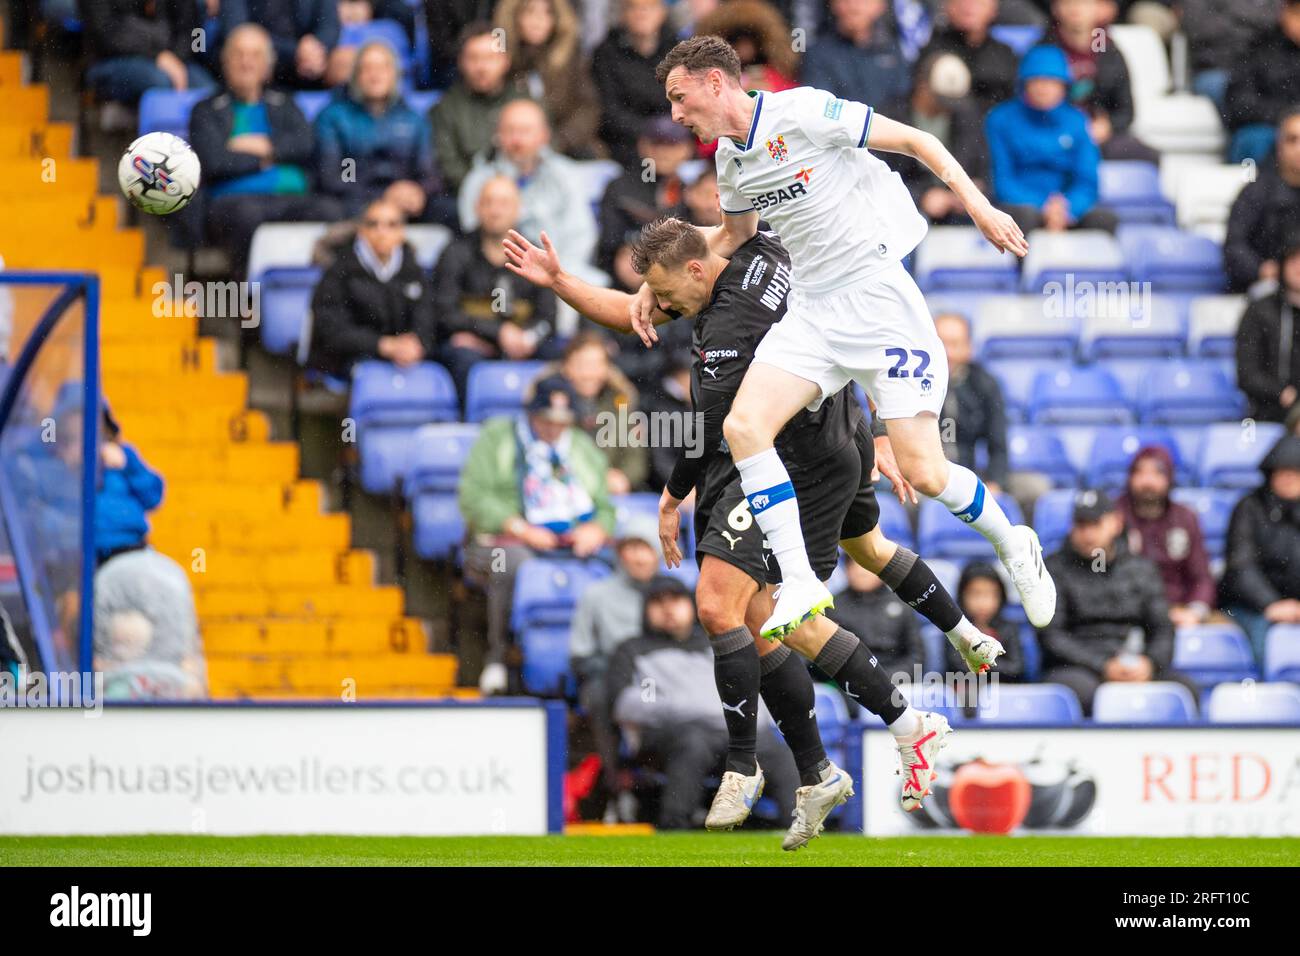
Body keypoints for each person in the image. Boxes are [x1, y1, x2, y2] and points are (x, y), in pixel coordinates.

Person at [505, 217, 1005, 848]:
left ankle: (743, 764)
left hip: (793, 457)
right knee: (799, 600)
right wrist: (560, 281)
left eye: (662, 298)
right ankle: (897, 724)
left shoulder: (730, 334)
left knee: (720, 604)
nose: (657, 311)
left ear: (694, 269)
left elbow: (711, 429)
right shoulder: (759, 245)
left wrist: (672, 496)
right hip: (836, 428)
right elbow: (639, 307)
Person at [643, 35, 1052, 644]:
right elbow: (731, 237)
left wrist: (981, 209)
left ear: (714, 83)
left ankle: (1012, 538)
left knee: (927, 472)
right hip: (812, 311)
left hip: (878, 301)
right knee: (744, 426)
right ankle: (803, 581)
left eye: (679, 97)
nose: (676, 114)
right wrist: (657, 280)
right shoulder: (732, 161)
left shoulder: (803, 111)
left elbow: (919, 141)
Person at [604, 575, 800, 830]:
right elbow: (634, 703)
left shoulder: (717, 643)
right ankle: (675, 827)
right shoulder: (634, 650)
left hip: (732, 732)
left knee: (777, 750)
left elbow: (749, 690)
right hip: (672, 735)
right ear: (645, 610)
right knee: (694, 743)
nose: (668, 609)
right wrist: (690, 709)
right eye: (658, 602)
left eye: (675, 600)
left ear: (691, 605)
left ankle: (799, 827)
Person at [459, 376, 615, 693]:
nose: (554, 428)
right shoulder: (497, 437)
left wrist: (596, 529)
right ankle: (499, 658)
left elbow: (605, 507)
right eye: (546, 419)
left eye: (562, 421)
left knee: (622, 561)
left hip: (571, 540)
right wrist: (521, 528)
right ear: (531, 413)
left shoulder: (581, 447)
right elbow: (472, 498)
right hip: (507, 539)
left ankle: (608, 663)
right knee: (514, 563)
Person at [190, 24, 342, 276]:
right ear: (225, 62)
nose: (246, 63)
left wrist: (263, 148)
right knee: (247, 216)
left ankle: (322, 296)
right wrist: (267, 158)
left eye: (255, 55)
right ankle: (248, 301)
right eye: (239, 54)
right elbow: (213, 161)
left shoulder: (285, 103)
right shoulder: (206, 110)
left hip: (293, 198)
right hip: (233, 202)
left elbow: (306, 145)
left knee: (332, 210)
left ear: (267, 65)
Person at [1039, 489, 1199, 716]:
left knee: (1185, 689)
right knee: (1080, 691)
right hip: (1080, 667)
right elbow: (1052, 636)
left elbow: (1163, 628)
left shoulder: (1141, 569)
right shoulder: (1053, 569)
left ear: (1115, 523)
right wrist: (1103, 665)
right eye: (1081, 525)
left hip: (1134, 660)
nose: (1087, 533)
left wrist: (1150, 664)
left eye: (1095, 524)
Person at [434, 176, 560, 403]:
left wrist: (527, 339)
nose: (495, 211)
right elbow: (444, 313)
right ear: (476, 208)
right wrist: (497, 334)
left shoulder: (534, 255)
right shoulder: (455, 252)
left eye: (504, 203)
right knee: (459, 355)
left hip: (523, 346)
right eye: (488, 203)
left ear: (518, 209)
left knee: (559, 353)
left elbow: (548, 320)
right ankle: (469, 424)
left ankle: (544, 425)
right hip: (474, 349)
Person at [570, 518, 662, 798]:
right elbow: (580, 653)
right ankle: (615, 787)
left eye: (644, 547)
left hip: (665, 677)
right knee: (599, 694)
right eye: (630, 548)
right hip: (611, 679)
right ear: (620, 553)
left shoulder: (670, 594)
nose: (637, 556)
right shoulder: (596, 595)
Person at [985, 44, 1117, 235]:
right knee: (1022, 217)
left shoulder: (1077, 121)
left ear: (1064, 86)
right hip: (1021, 207)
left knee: (1104, 220)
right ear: (1024, 83)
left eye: (1052, 81)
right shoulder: (1000, 119)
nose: (1044, 87)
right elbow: (1001, 180)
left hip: (1065, 208)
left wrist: (1068, 208)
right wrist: (1043, 206)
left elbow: (1087, 180)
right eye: (1037, 80)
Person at [459, 100, 599, 270]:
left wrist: (558, 277)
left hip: (562, 271)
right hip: (497, 272)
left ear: (545, 135)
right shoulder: (479, 180)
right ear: (497, 135)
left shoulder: (565, 175)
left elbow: (580, 234)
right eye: (510, 131)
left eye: (526, 131)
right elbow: (472, 233)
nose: (517, 140)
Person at [305, 199, 436, 378]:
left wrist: (417, 343)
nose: (382, 232)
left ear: (402, 232)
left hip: (407, 357)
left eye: (392, 225)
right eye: (373, 224)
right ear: (361, 230)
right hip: (351, 360)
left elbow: (427, 317)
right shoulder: (338, 270)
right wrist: (382, 345)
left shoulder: (414, 270)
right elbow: (331, 329)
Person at [312, 41, 438, 219]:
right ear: (356, 76)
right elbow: (334, 177)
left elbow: (429, 173)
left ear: (395, 75)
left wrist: (417, 191)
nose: (375, 75)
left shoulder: (414, 120)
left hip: (405, 201)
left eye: (383, 67)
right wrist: (383, 195)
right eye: (367, 68)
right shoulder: (334, 118)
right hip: (355, 199)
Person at [1116, 445, 1217, 627]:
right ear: (1130, 477)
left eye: (1156, 473)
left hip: (1178, 611)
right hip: (1127, 614)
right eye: (1140, 473)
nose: (1147, 481)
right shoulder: (1113, 516)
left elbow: (1201, 577)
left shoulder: (1186, 518)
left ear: (1169, 478)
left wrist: (1194, 611)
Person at [1045, 0, 1158, 162]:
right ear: (1055, 8)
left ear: (1099, 8)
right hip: (1051, 134)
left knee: (1146, 155)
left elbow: (1126, 111)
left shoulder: (1106, 49)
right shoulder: (1044, 49)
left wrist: (1107, 126)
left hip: (1099, 137)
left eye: (1084, 3)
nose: (1075, 8)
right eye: (1068, 2)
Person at [1220, 434, 1300, 662]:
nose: (1288, 479)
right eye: (1282, 472)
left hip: (1295, 607)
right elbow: (1241, 566)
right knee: (1265, 642)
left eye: (1295, 473)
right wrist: (1271, 603)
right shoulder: (1250, 508)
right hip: (1253, 607)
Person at [884, 52, 988, 224]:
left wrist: (973, 190)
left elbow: (982, 167)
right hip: (906, 210)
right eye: (940, 99)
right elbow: (880, 176)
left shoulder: (966, 116)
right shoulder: (891, 116)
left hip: (958, 212)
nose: (947, 107)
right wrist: (920, 196)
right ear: (922, 85)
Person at [540, 332, 649, 493]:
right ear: (567, 367)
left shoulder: (621, 403)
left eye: (596, 365)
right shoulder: (548, 404)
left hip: (611, 493)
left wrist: (624, 478)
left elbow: (635, 457)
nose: (588, 374)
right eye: (582, 365)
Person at [494, 0, 601, 157]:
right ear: (514, 17)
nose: (537, 21)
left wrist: (558, 142)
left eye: (547, 13)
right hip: (513, 150)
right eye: (529, 12)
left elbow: (588, 109)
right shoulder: (502, 61)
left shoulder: (569, 60)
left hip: (565, 149)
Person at [432, 23, 525, 193]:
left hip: (524, 192)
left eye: (490, 58)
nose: (481, 67)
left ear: (505, 60)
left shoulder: (524, 102)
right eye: (473, 58)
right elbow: (448, 166)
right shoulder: (445, 108)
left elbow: (544, 151)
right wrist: (485, 192)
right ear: (461, 62)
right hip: (470, 196)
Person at [597, 116, 696, 276]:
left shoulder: (693, 189)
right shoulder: (621, 186)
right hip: (626, 275)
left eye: (672, 144)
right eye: (657, 144)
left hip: (681, 271)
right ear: (643, 145)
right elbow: (609, 244)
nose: (663, 152)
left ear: (687, 149)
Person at [591, 0, 678, 168]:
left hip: (674, 137)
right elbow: (608, 109)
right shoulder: (606, 52)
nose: (641, 13)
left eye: (649, 7)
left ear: (663, 12)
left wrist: (668, 132)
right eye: (634, 7)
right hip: (625, 142)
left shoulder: (679, 48)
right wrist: (649, 132)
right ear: (623, 13)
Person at [1224, 109, 1300, 295]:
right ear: (1279, 147)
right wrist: (1263, 269)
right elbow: (1234, 246)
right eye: (1292, 140)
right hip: (1269, 288)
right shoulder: (1255, 193)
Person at [83, 0, 215, 105]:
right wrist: (157, 55)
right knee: (162, 84)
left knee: (211, 94)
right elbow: (106, 35)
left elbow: (193, 31)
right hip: (111, 60)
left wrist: (177, 57)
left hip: (175, 60)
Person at [934, 311, 1007, 491]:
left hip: (971, 474)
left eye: (955, 344)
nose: (948, 353)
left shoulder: (985, 385)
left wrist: (995, 483)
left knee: (1032, 487)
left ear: (969, 348)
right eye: (941, 343)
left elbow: (998, 445)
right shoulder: (912, 383)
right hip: (923, 474)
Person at [1223, 0, 1300, 164]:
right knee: (1253, 141)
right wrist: (1286, 116)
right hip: (1269, 127)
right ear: (1285, 13)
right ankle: (1249, 186)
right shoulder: (1259, 49)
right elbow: (1239, 103)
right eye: (1298, 14)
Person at [1235, 236, 1300, 423]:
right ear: (1282, 264)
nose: (1299, 267)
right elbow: (1247, 373)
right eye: (1293, 259)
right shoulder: (1259, 311)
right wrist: (1281, 393)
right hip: (1270, 414)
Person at [827, 562, 926, 683]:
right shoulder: (833, 606)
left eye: (865, 566)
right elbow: (827, 656)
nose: (861, 572)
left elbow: (916, 656)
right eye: (855, 566)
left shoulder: (901, 603)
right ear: (847, 569)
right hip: (849, 682)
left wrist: (886, 679)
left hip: (896, 681)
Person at [801, 0, 911, 107]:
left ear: (880, 5)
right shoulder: (818, 53)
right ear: (832, 4)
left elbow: (903, 100)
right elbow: (820, 109)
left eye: (862, 1)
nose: (853, 7)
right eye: (846, 0)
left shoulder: (892, 49)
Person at [918, 0, 1020, 113]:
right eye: (961, 2)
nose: (968, 8)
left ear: (993, 10)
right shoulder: (931, 48)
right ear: (947, 7)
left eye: (978, 3)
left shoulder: (1004, 54)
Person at [218, 0, 346, 89]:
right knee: (246, 50)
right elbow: (236, 29)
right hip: (263, 56)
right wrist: (296, 51)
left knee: (345, 61)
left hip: (310, 61)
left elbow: (330, 24)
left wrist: (317, 48)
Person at [1178, 0, 1279, 111]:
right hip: (1216, 69)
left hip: (1261, 71)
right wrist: (1248, 20)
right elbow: (1197, 27)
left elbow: (1277, 19)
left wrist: (1230, 13)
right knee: (1238, 95)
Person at [94, 407, 164, 568]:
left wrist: (128, 465)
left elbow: (153, 497)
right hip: (86, 554)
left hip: (131, 548)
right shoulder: (60, 460)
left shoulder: (123, 455)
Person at [695, 0, 801, 93]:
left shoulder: (775, 74)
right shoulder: (719, 77)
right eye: (738, 41)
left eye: (748, 42)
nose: (745, 49)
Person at [945, 561, 1024, 680]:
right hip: (967, 690)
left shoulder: (1008, 628)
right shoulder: (954, 629)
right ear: (962, 595)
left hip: (1002, 691)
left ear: (1001, 596)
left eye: (989, 594)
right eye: (975, 594)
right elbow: (956, 666)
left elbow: (1016, 669)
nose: (982, 603)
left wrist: (980, 663)